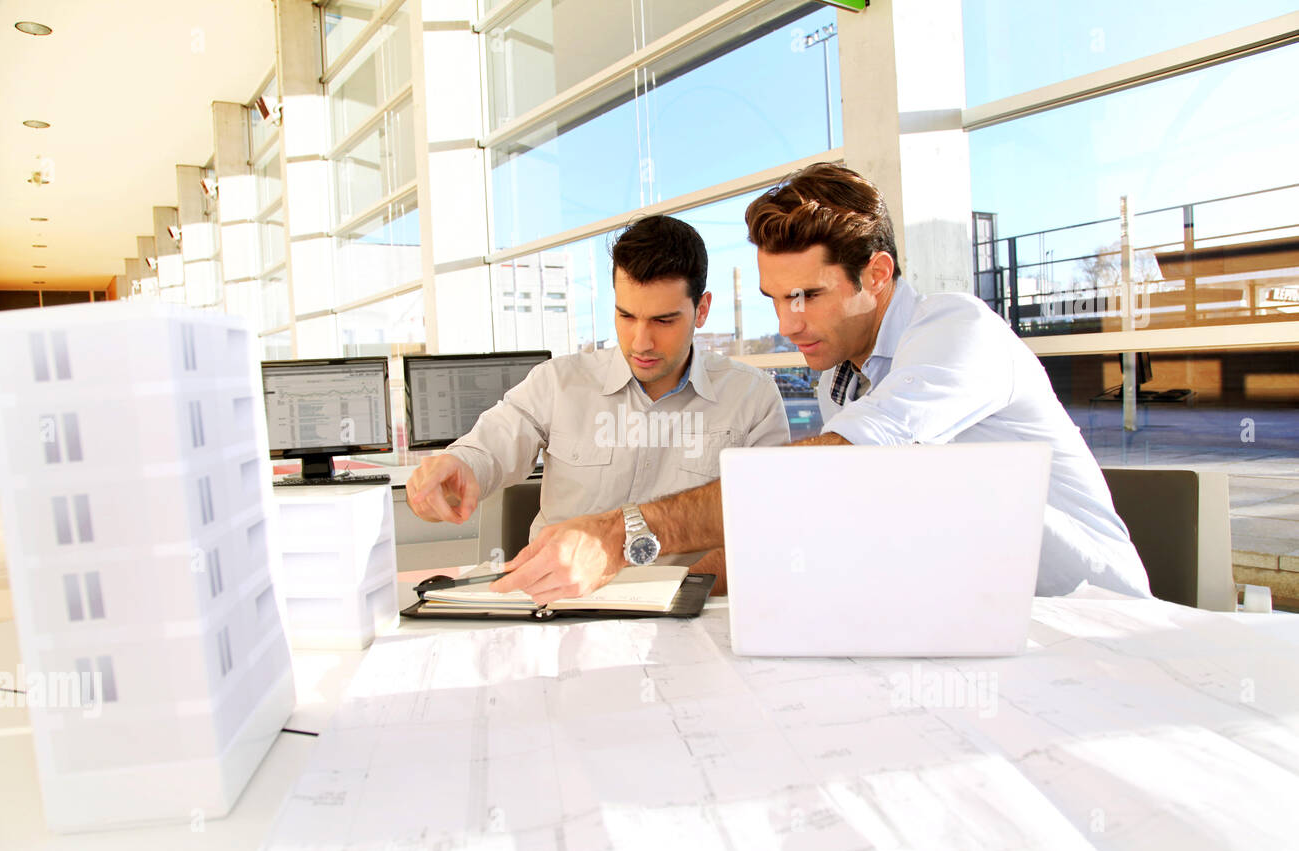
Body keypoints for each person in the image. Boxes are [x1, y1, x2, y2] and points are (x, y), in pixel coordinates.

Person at [491, 163, 1152, 604]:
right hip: (967, 619)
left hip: (1089, 623)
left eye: (806, 295)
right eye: (776, 298)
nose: (788, 323)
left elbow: (841, 476)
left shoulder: (958, 332)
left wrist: (624, 533)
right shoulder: (843, 379)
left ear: (878, 275)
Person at [404, 214, 790, 592]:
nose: (641, 342)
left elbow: (767, 526)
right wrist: (458, 467)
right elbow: (490, 446)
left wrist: (682, 594)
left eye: (664, 320)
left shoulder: (752, 398)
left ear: (701, 310)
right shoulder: (559, 382)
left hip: (689, 605)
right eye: (626, 315)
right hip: (562, 605)